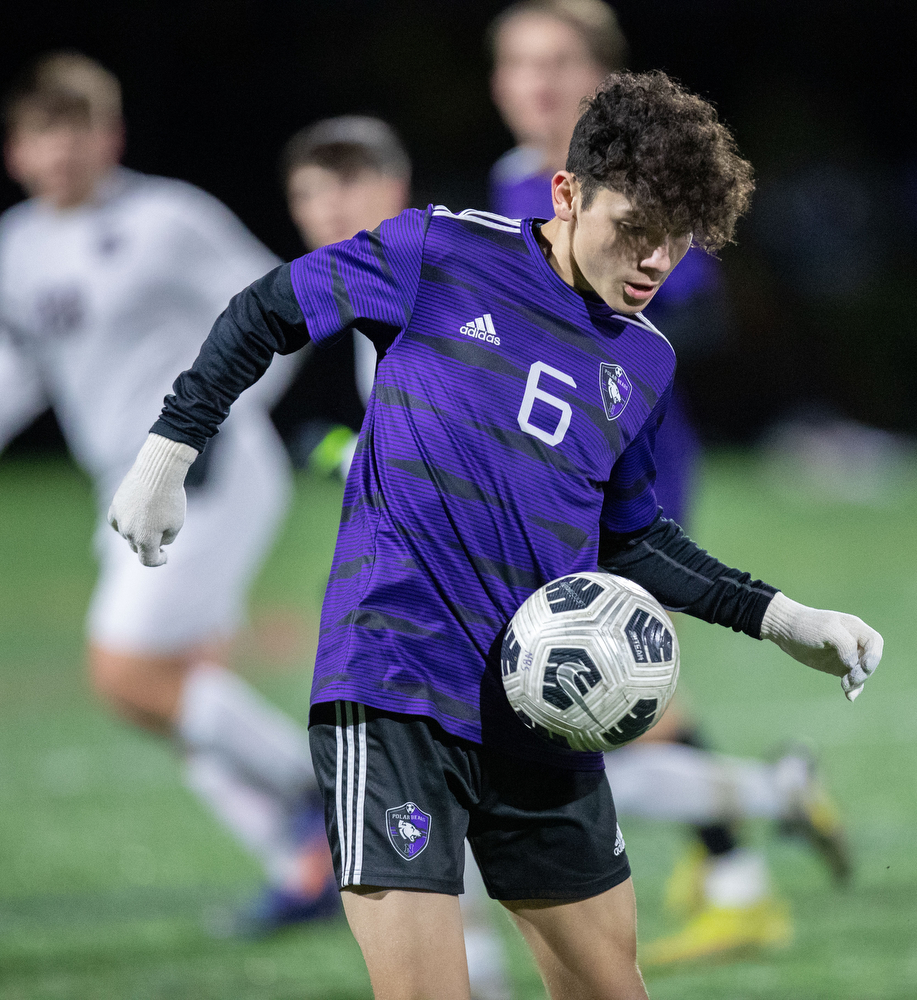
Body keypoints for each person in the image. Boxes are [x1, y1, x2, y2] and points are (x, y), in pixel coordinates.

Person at [109, 72, 882, 999]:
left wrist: (785, 617)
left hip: (544, 706)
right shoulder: (438, 251)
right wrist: (169, 450)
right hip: (393, 686)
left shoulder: (644, 360)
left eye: (674, 247)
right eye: (632, 231)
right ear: (567, 195)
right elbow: (267, 310)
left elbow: (629, 538)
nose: (650, 264)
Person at [0, 51, 337, 935]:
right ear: (16, 152)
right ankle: (308, 867)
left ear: (110, 137)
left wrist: (210, 424)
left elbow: (282, 310)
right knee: (183, 688)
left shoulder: (167, 219)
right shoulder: (19, 242)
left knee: (127, 671)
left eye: (80, 130)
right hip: (124, 485)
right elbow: (18, 354)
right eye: (44, 134)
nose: (62, 151)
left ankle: (330, 798)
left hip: (206, 471)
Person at [487, 0, 851, 965]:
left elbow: (686, 314)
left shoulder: (636, 187)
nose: (537, 81)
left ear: (600, 79)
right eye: (520, 63)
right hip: (535, 478)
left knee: (601, 685)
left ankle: (742, 864)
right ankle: (752, 832)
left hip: (620, 477)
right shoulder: (511, 184)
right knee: (623, 689)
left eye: (558, 62)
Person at [281, 113, 513, 1000]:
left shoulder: (426, 267)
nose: (322, 212)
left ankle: (756, 803)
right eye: (307, 195)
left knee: (468, 783)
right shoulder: (374, 281)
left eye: (343, 189)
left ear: (392, 189)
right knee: (469, 783)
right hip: (444, 573)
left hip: (467, 580)